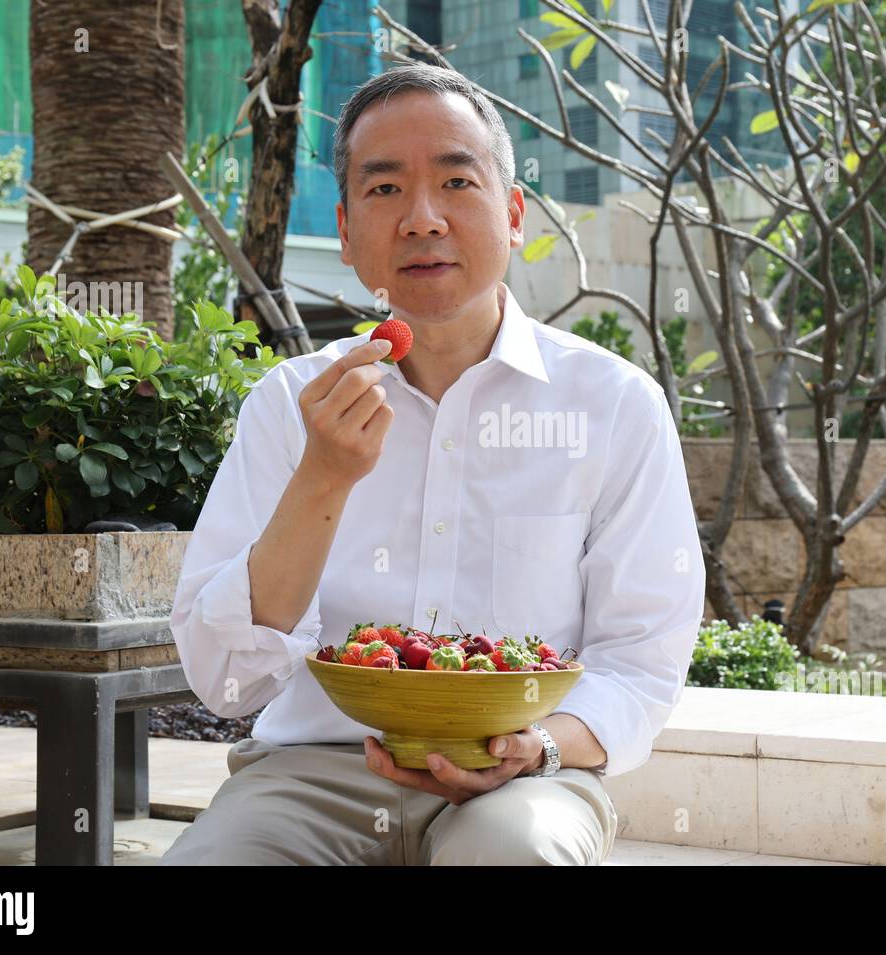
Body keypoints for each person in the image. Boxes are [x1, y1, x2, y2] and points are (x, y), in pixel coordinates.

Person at [157, 61, 705, 866]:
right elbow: (227, 681)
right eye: (384, 190)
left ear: (513, 214)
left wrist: (536, 746)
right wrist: (325, 475)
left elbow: (640, 659)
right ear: (345, 233)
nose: (421, 218)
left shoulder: (615, 405)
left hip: (528, 779)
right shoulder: (289, 405)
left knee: (514, 852)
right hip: (314, 770)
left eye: (456, 181)